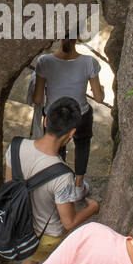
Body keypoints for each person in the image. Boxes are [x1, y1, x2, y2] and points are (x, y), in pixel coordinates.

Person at [4, 96, 99, 264]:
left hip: (18, 225)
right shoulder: (63, 176)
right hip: (45, 237)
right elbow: (69, 222)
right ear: (71, 133)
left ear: (46, 120)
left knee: (30, 260)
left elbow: (9, 188)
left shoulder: (15, 147)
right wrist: (92, 208)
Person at [32, 38, 104, 196]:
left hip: (54, 114)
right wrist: (102, 90)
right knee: (82, 145)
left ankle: (58, 184)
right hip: (81, 114)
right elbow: (99, 98)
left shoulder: (44, 61)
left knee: (56, 148)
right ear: (78, 37)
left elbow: (37, 99)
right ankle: (78, 186)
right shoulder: (89, 62)